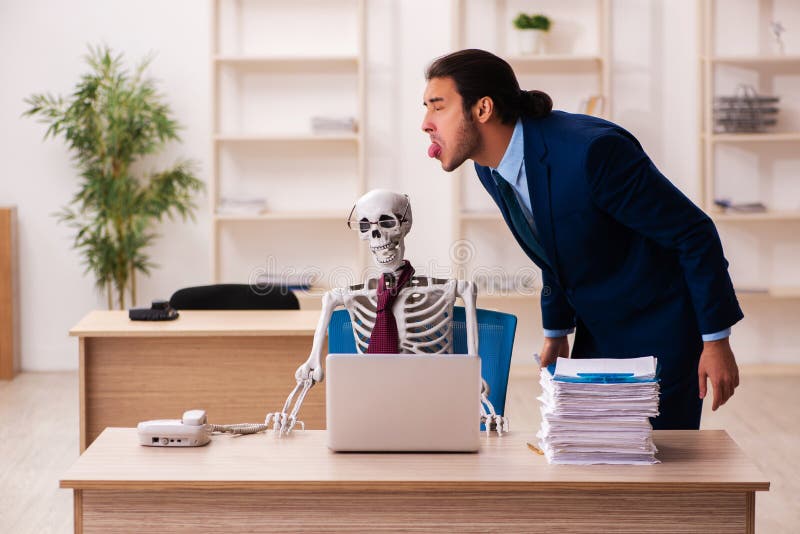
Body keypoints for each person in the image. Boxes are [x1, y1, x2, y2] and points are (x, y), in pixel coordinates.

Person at [420, 49, 742, 429]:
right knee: (590, 456)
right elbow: (554, 250)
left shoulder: (593, 153)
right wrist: (556, 332)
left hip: (663, 330)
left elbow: (693, 232)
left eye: (437, 107)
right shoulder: (489, 170)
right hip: (599, 329)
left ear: (483, 108)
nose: (426, 123)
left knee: (658, 470)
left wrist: (716, 341)